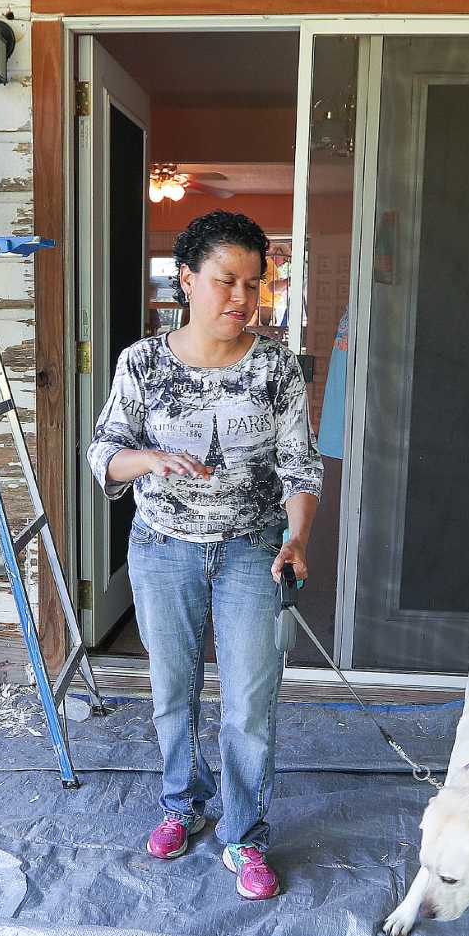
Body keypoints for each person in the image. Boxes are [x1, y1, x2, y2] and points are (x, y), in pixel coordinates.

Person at [88, 211, 323, 900]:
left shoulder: (275, 366)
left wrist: (297, 538)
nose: (243, 299)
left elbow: (300, 468)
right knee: (173, 692)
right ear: (187, 280)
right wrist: (149, 457)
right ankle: (181, 804)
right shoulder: (143, 362)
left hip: (253, 548)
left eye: (255, 283)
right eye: (227, 281)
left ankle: (243, 834)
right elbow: (103, 452)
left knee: (250, 699)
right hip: (163, 548)